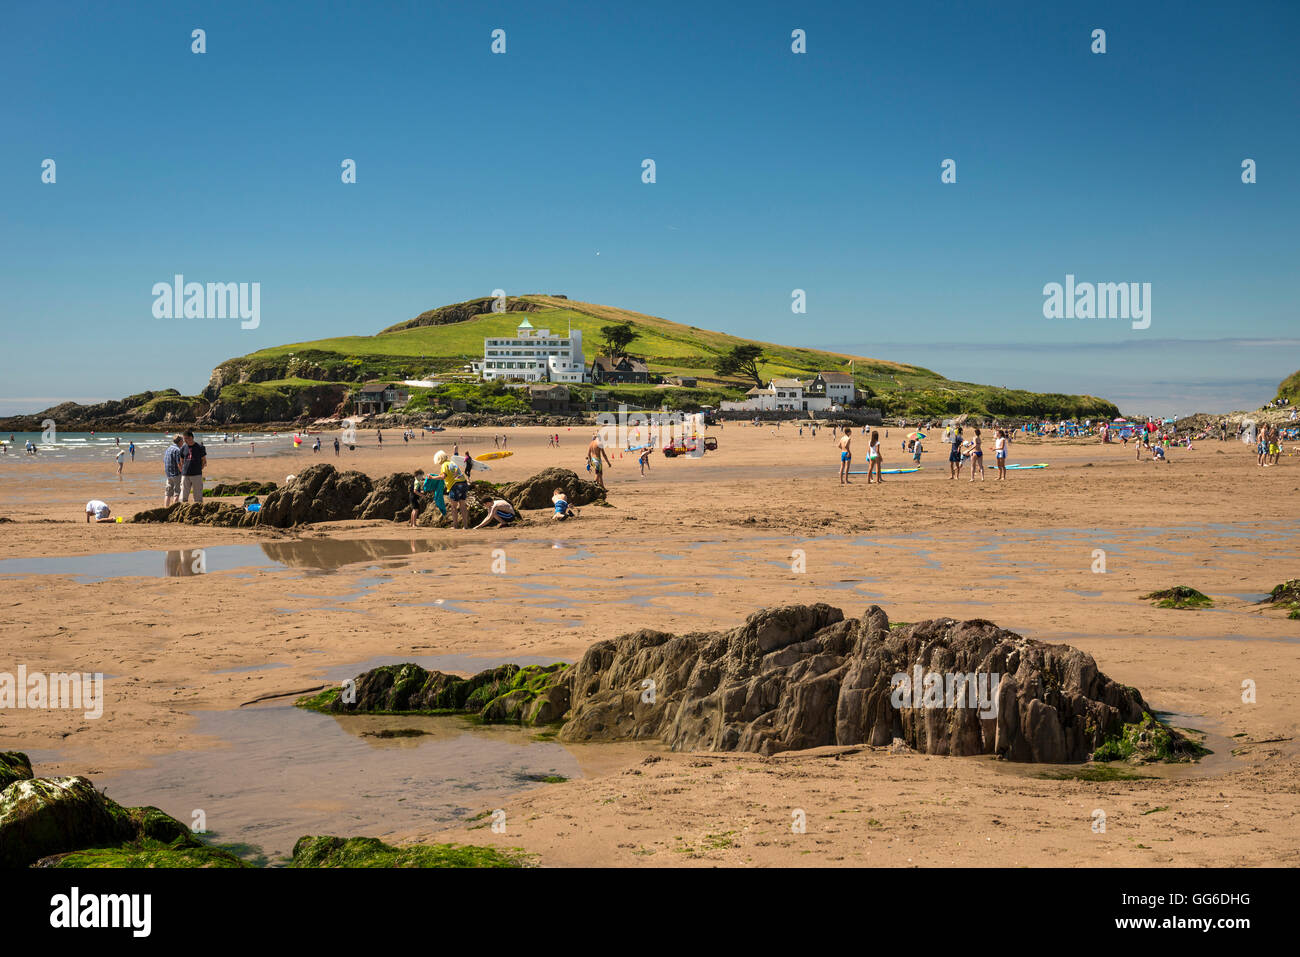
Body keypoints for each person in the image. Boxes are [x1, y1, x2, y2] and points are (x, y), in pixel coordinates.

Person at [436, 450, 469, 528]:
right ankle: (465, 526)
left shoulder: (444, 465)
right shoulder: (452, 463)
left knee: (454, 507)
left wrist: (432, 477)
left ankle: (455, 526)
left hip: (455, 485)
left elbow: (443, 476)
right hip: (464, 483)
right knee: (463, 506)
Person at [181, 429, 207, 502]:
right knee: (183, 496)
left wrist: (199, 468)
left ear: (191, 437)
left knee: (198, 496)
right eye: (184, 439)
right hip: (185, 474)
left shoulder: (199, 447)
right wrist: (183, 470)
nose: (185, 440)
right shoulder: (183, 447)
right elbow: (181, 460)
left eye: (186, 438)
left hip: (197, 474)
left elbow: (204, 461)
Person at [163, 434, 184, 505]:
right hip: (176, 474)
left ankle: (166, 508)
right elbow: (179, 463)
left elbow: (165, 460)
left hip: (168, 474)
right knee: (177, 492)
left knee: (168, 493)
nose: (183, 442)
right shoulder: (178, 450)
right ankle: (174, 508)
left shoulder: (168, 448)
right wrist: (183, 472)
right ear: (180, 441)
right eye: (182, 440)